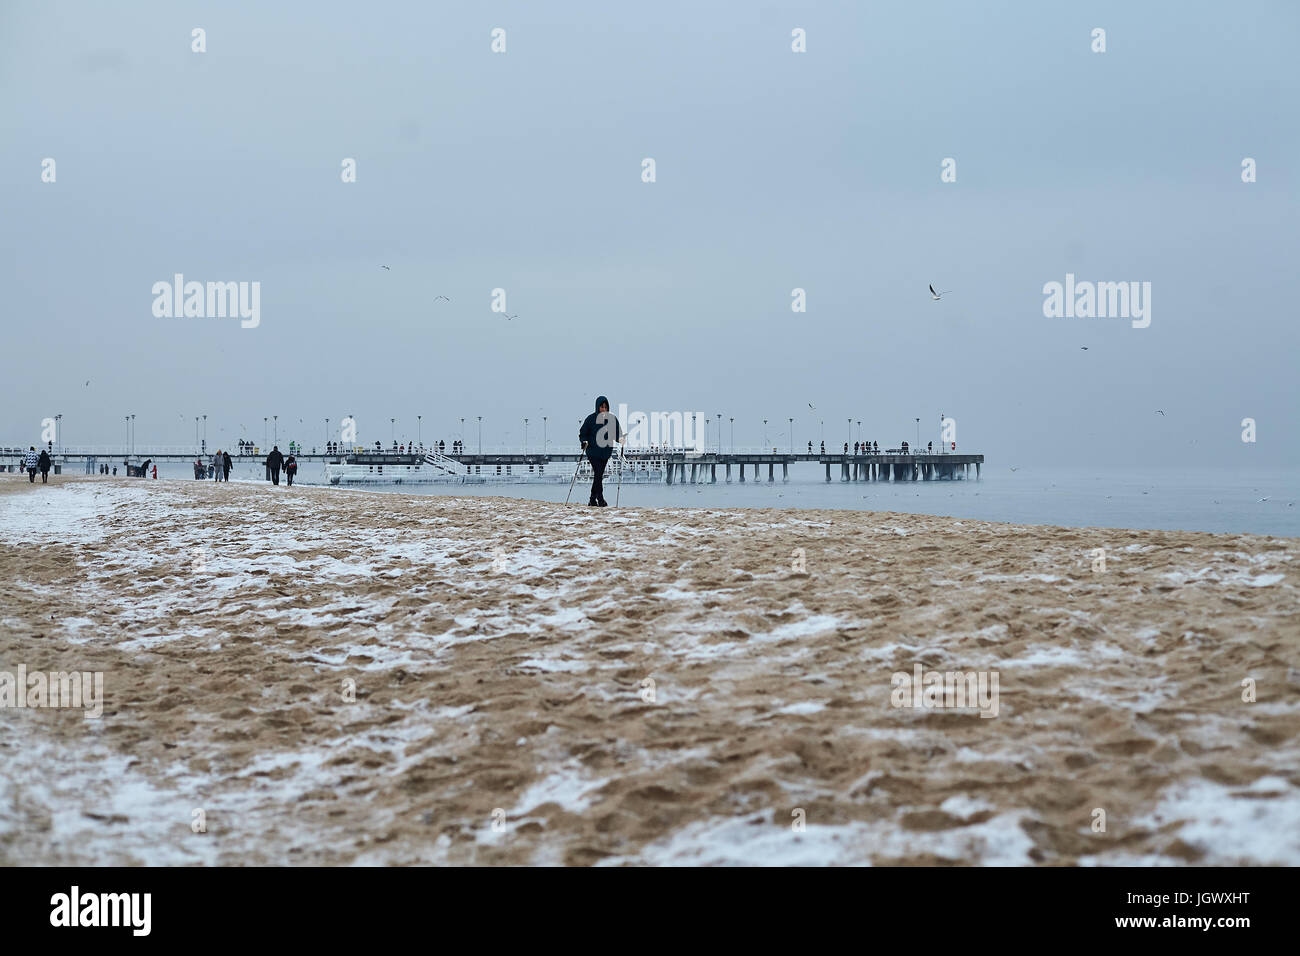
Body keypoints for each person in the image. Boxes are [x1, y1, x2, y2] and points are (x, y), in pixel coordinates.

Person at [578, 395, 623, 507]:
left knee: (599, 475)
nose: (603, 409)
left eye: (605, 407)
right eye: (601, 407)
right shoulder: (591, 419)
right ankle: (600, 499)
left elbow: (617, 433)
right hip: (593, 451)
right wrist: (584, 441)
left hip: (605, 452)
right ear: (597, 407)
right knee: (598, 473)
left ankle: (592, 500)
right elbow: (583, 433)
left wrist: (621, 439)